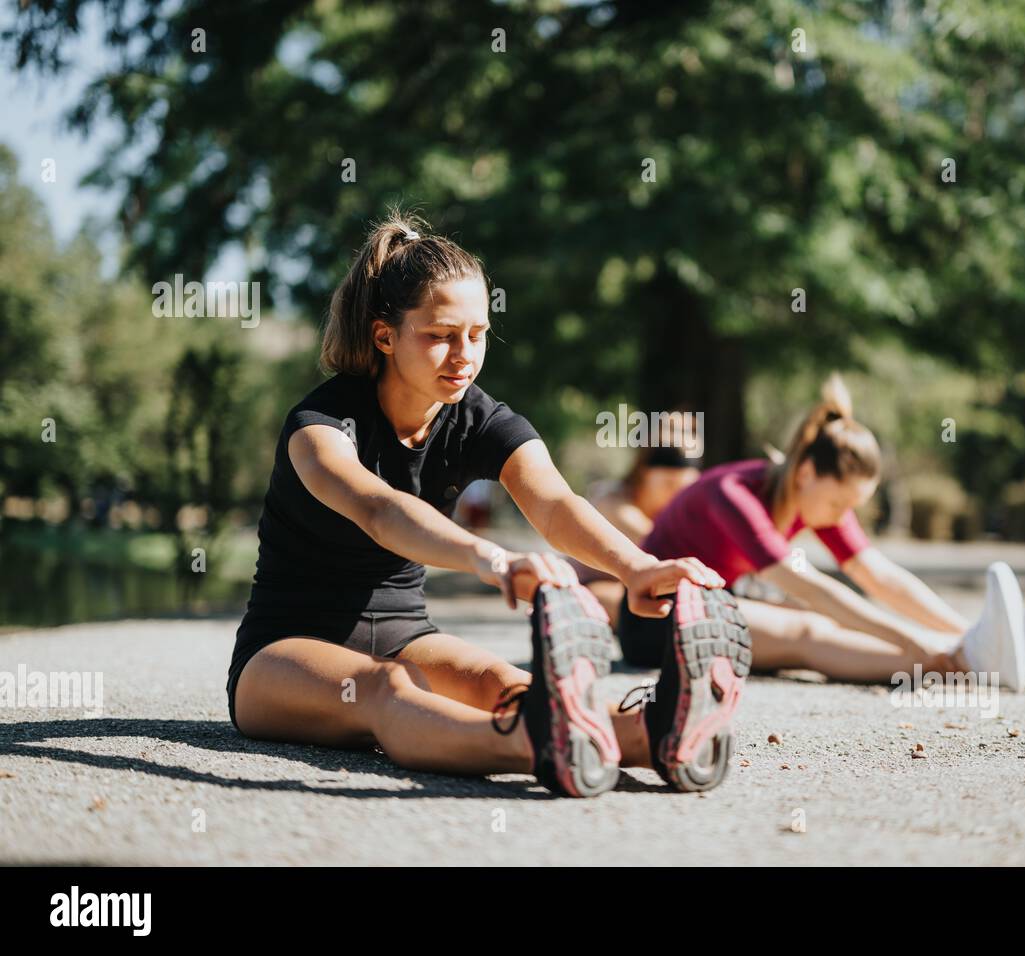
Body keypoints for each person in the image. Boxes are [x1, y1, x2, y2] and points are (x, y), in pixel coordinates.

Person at [225, 212, 750, 797]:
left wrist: (637, 568)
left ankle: (648, 735)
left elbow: (552, 501)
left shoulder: (478, 417)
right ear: (384, 336)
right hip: (283, 652)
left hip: (405, 630)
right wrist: (492, 560)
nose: (464, 355)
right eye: (441, 335)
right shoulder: (320, 427)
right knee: (386, 689)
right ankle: (539, 746)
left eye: (477, 334)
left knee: (508, 683)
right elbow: (380, 510)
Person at [613, 375, 1025, 692]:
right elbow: (809, 588)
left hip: (713, 603)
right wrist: (918, 645)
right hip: (653, 620)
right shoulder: (734, 494)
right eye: (840, 504)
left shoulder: (811, 497)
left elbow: (880, 576)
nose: (842, 516)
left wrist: (963, 626)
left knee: (825, 618)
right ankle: (965, 661)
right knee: (808, 627)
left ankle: (993, 648)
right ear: (805, 474)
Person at [571, 443, 701, 619]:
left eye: (683, 488)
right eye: (668, 484)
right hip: (590, 586)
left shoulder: (676, 511)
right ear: (644, 474)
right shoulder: (612, 502)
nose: (674, 494)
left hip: (641, 585)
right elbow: (657, 542)